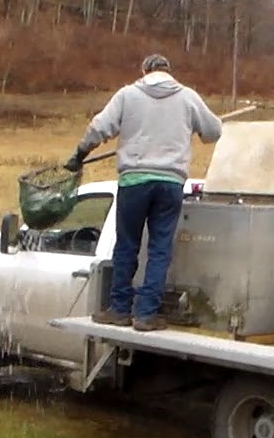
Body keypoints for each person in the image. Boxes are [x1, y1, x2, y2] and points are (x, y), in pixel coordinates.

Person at [64, 53, 222, 331]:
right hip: (171, 184)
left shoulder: (128, 95)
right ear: (168, 71)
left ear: (144, 70)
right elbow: (213, 131)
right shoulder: (187, 97)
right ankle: (147, 314)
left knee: (127, 245)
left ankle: (120, 309)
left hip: (134, 182)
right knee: (160, 249)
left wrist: (80, 154)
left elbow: (100, 127)